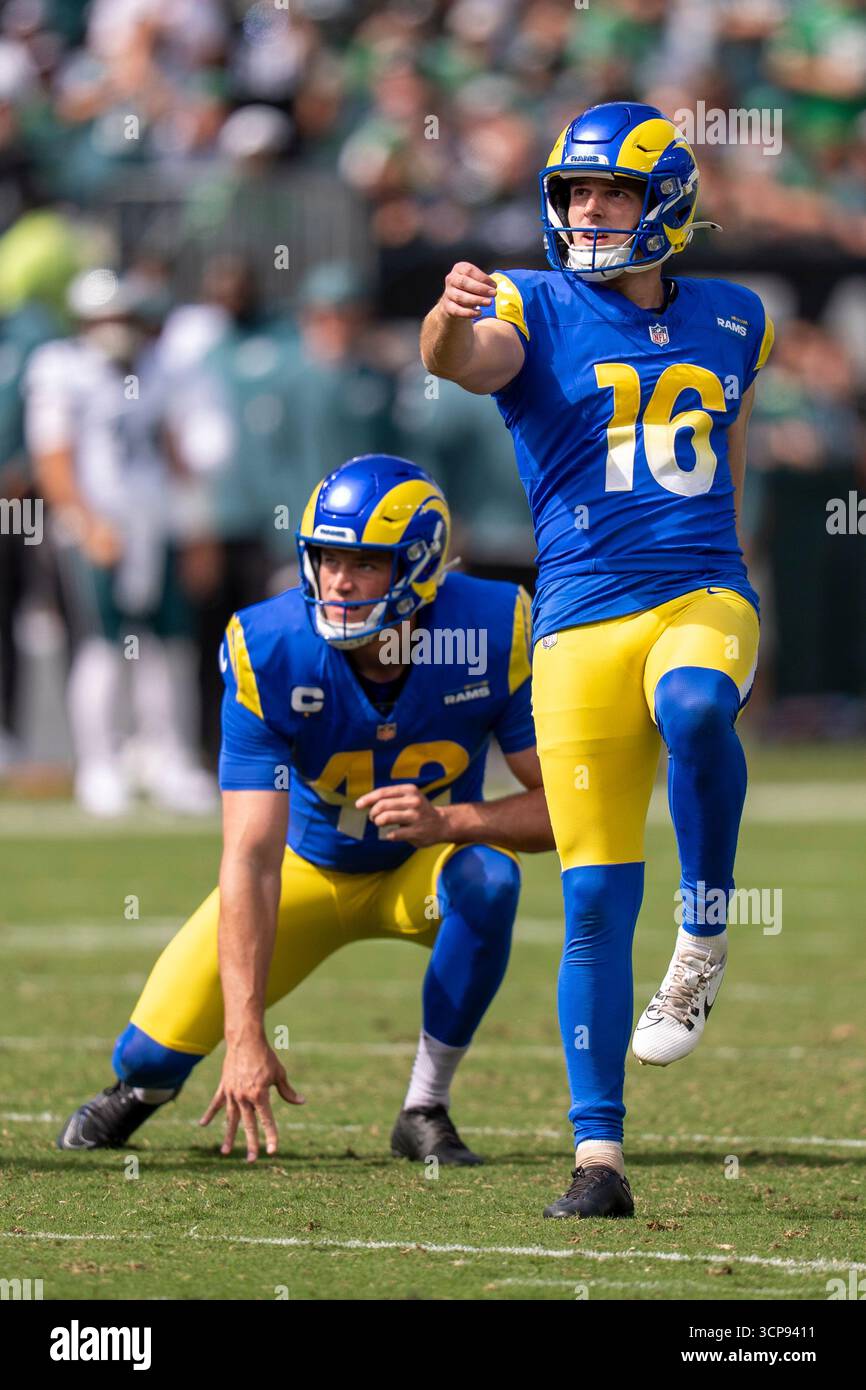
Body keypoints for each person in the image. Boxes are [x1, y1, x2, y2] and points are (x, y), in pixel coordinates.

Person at [420, 102, 773, 1218]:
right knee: (589, 900)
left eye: (609, 193)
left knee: (694, 707)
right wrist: (442, 316)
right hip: (574, 620)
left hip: (699, 591)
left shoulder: (735, 315)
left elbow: (729, 457)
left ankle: (705, 929)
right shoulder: (533, 300)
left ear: (662, 201)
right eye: (573, 194)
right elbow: (465, 360)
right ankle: (596, 1157)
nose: (586, 211)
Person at [57, 454, 554, 1164]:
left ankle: (424, 1105)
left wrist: (451, 824)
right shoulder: (272, 647)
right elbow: (250, 856)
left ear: (417, 567)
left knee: (490, 880)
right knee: (143, 1056)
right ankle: (146, 1091)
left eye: (364, 563)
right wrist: (246, 1033)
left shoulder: (490, 628)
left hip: (424, 867)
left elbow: (564, 808)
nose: (339, 582)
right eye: (325, 558)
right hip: (305, 869)